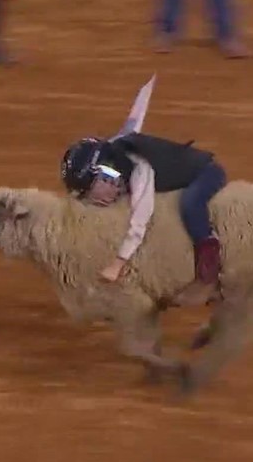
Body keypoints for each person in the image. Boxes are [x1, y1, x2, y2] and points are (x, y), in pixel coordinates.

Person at [59, 79, 228, 302]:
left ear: (106, 176)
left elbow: (140, 221)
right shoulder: (114, 153)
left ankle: (209, 275)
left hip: (206, 172)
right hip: (174, 175)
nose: (89, 198)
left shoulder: (140, 171)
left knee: (190, 204)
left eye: (89, 190)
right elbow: (134, 119)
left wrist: (118, 263)